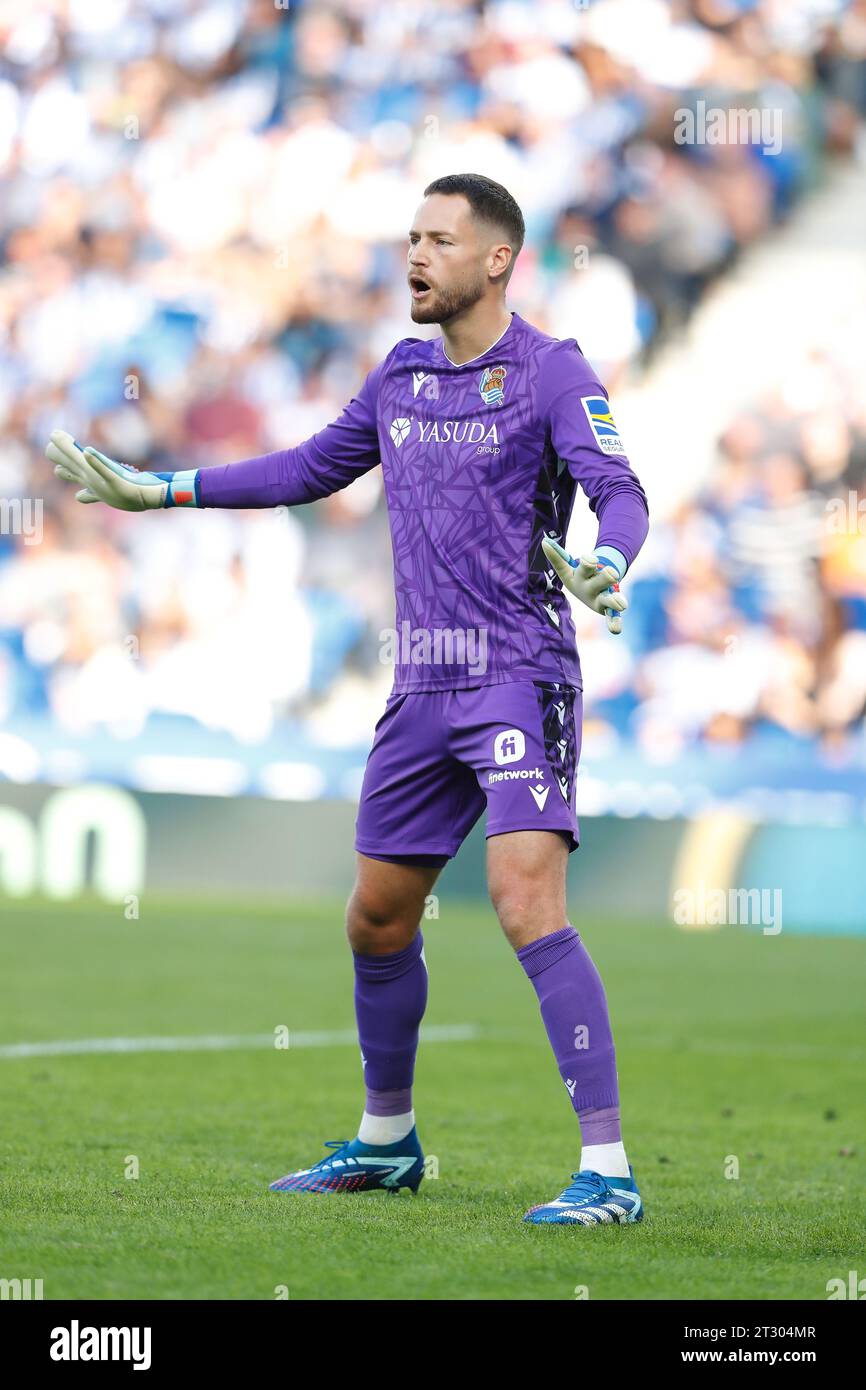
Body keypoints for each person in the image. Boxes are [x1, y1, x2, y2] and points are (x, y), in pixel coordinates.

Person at [48, 173, 650, 1225]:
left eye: (438, 241)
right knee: (375, 919)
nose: (413, 257)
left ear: (497, 259)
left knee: (522, 902)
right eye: (409, 237)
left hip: (515, 673)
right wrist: (164, 490)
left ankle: (607, 1170)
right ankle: (385, 1144)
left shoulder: (551, 371)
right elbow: (307, 466)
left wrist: (607, 559)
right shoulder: (400, 374)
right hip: (417, 681)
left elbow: (619, 489)